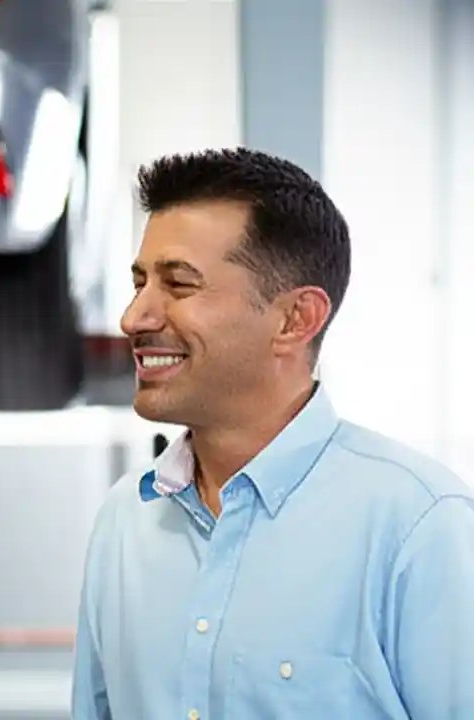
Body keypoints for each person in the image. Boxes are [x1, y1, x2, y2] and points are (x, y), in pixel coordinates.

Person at [72, 147, 474, 719]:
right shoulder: (124, 521)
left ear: (295, 319)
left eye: (179, 285)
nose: (135, 317)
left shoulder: (419, 526)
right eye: (139, 283)